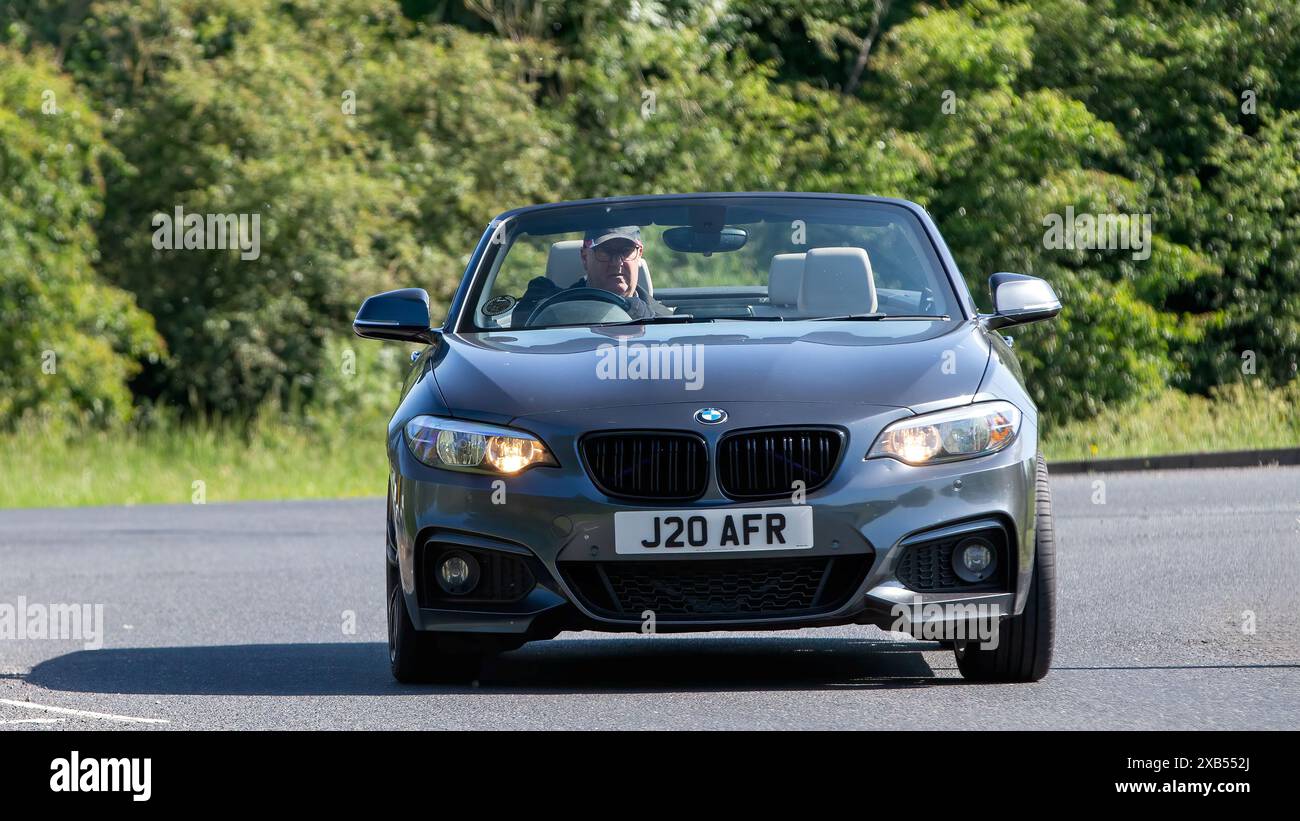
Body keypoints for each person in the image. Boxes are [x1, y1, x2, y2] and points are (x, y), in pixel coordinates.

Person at [511, 226, 671, 326]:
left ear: (639, 254)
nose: (617, 262)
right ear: (585, 256)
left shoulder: (665, 320)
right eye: (605, 251)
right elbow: (522, 326)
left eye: (626, 251)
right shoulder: (546, 306)